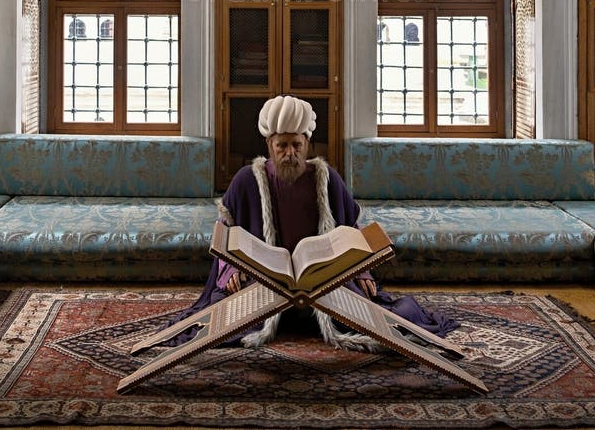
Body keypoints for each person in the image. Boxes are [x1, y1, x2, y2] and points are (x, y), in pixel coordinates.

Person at [166, 95, 459, 349]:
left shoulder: (327, 178)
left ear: (308, 143)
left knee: (388, 320)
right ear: (269, 144)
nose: (290, 154)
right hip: (262, 282)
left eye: (296, 144)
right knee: (216, 321)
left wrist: (363, 273)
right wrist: (229, 268)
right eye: (282, 145)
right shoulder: (246, 179)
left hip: (323, 284)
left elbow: (352, 231)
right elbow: (225, 229)